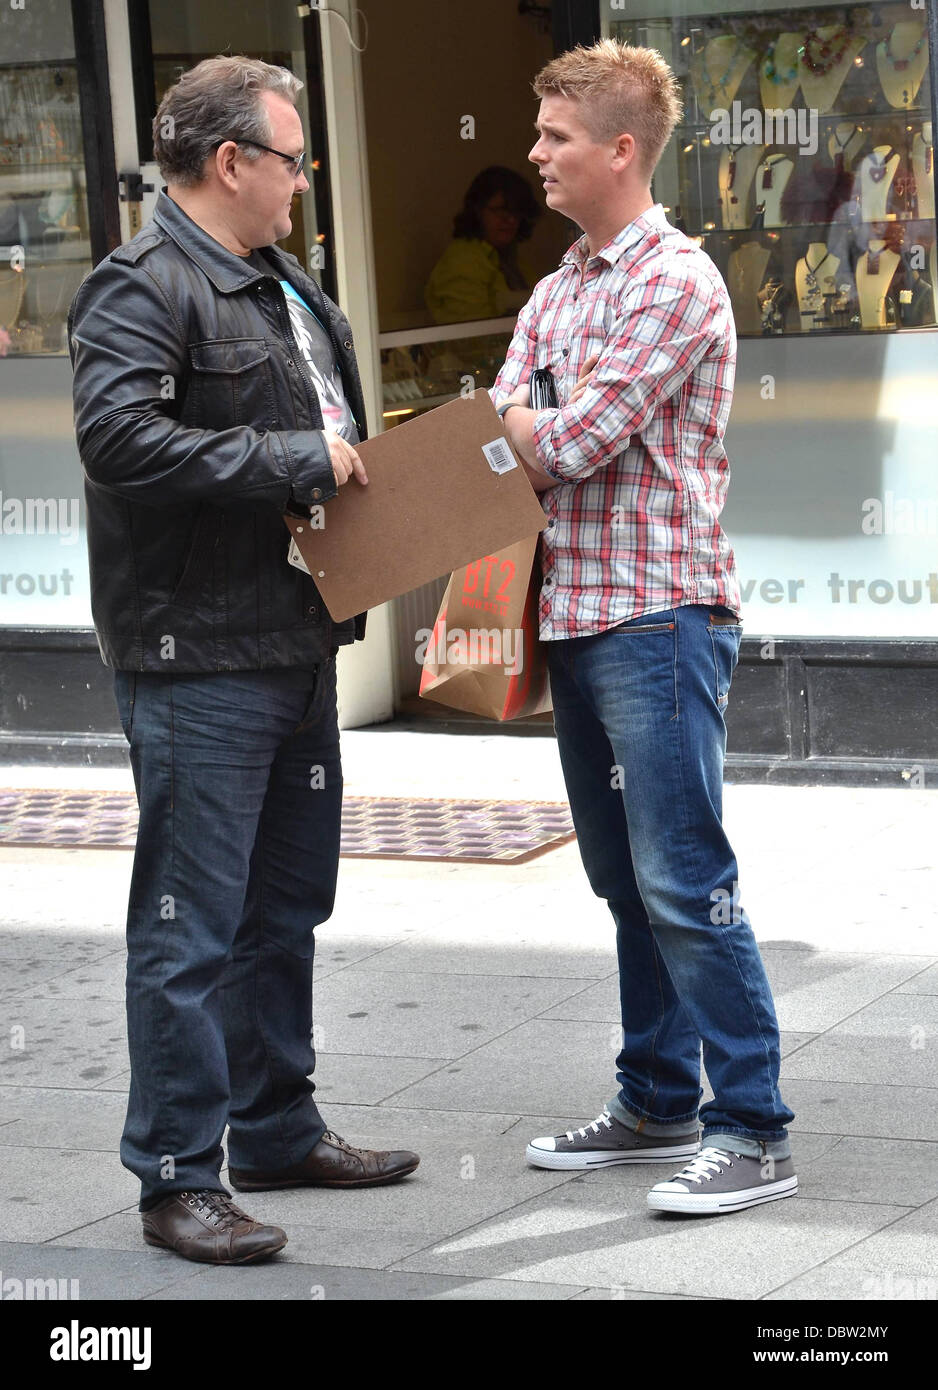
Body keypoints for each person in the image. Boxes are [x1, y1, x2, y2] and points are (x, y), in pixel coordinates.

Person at [67, 55, 419, 1267]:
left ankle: (274, 1126)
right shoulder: (141, 284)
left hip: (293, 637)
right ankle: (177, 1174)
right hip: (196, 655)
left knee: (283, 906)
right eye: (291, 160)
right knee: (190, 922)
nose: (302, 182)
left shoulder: (283, 283)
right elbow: (119, 439)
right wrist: (293, 462)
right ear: (232, 163)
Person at [491, 39, 797, 1216]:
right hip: (575, 612)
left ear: (620, 149)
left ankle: (754, 1128)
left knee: (683, 875)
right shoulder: (560, 286)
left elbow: (565, 440)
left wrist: (524, 420)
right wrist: (519, 419)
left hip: (658, 617)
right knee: (623, 878)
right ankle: (656, 1099)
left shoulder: (674, 280)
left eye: (554, 137)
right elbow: (496, 416)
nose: (532, 154)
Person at [425, 166, 541, 324]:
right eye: (501, 210)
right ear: (478, 211)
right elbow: (471, 334)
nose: (511, 220)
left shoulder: (515, 262)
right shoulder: (463, 260)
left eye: (516, 212)